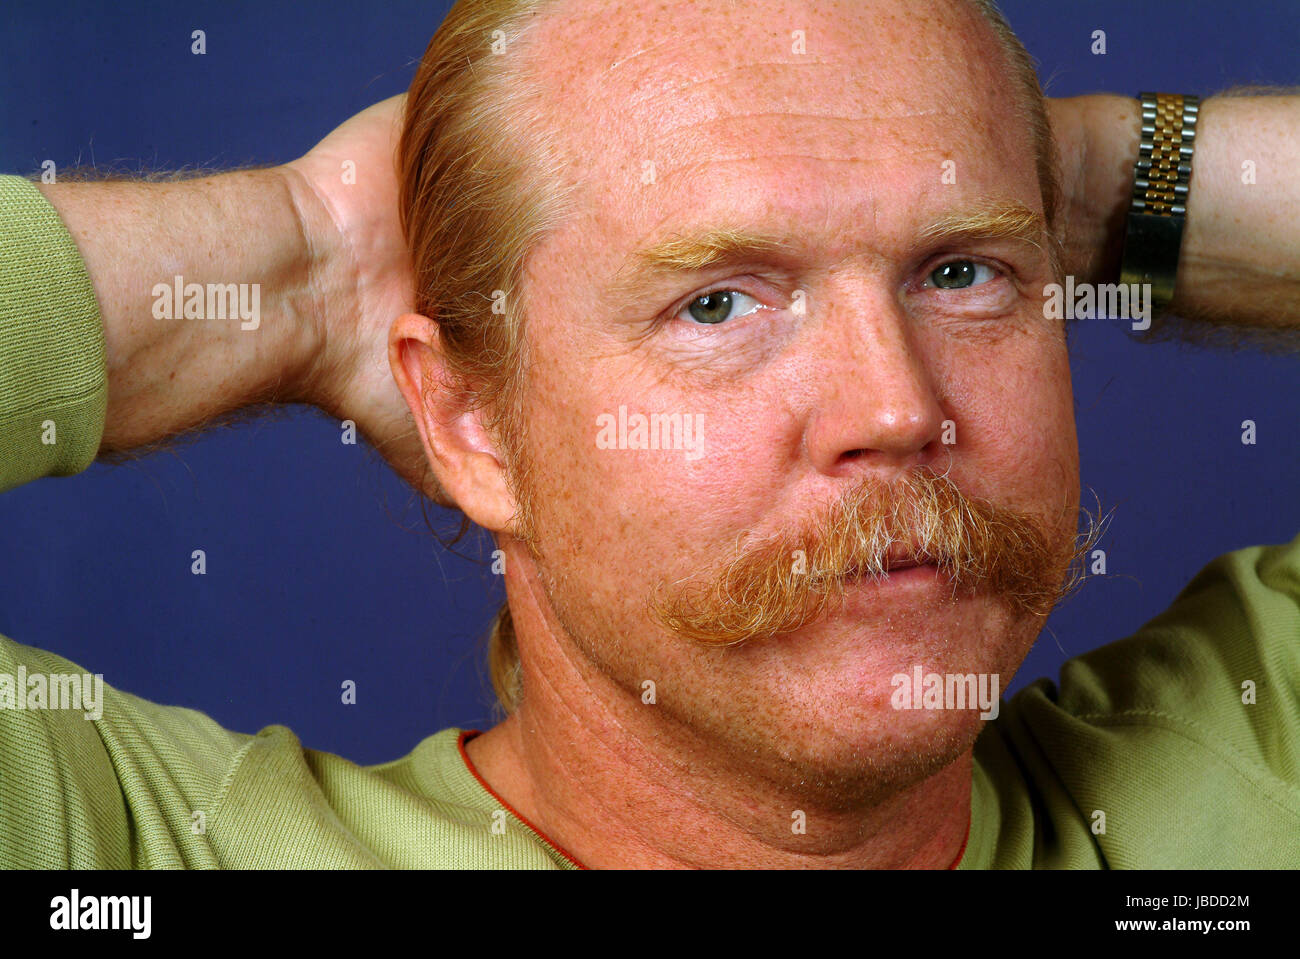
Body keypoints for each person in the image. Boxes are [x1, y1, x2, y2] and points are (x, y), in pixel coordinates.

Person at [1, 0, 1296, 869]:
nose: (897, 408)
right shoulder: (123, 852)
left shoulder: (1258, 763)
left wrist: (1080, 174)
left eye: (961, 274)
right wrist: (308, 262)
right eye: (719, 300)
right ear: (468, 420)